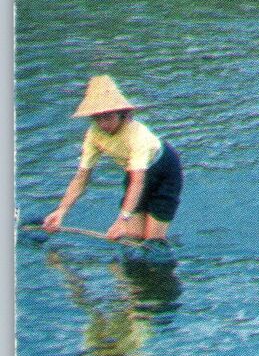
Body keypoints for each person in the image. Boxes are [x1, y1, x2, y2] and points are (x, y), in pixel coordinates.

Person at [43, 75, 183, 242]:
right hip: (133, 170)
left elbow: (138, 182)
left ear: (121, 114)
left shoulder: (137, 135)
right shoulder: (94, 134)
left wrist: (122, 219)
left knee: (152, 240)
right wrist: (61, 211)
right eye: (97, 118)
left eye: (108, 117)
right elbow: (82, 177)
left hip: (164, 170)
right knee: (133, 238)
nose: (103, 124)